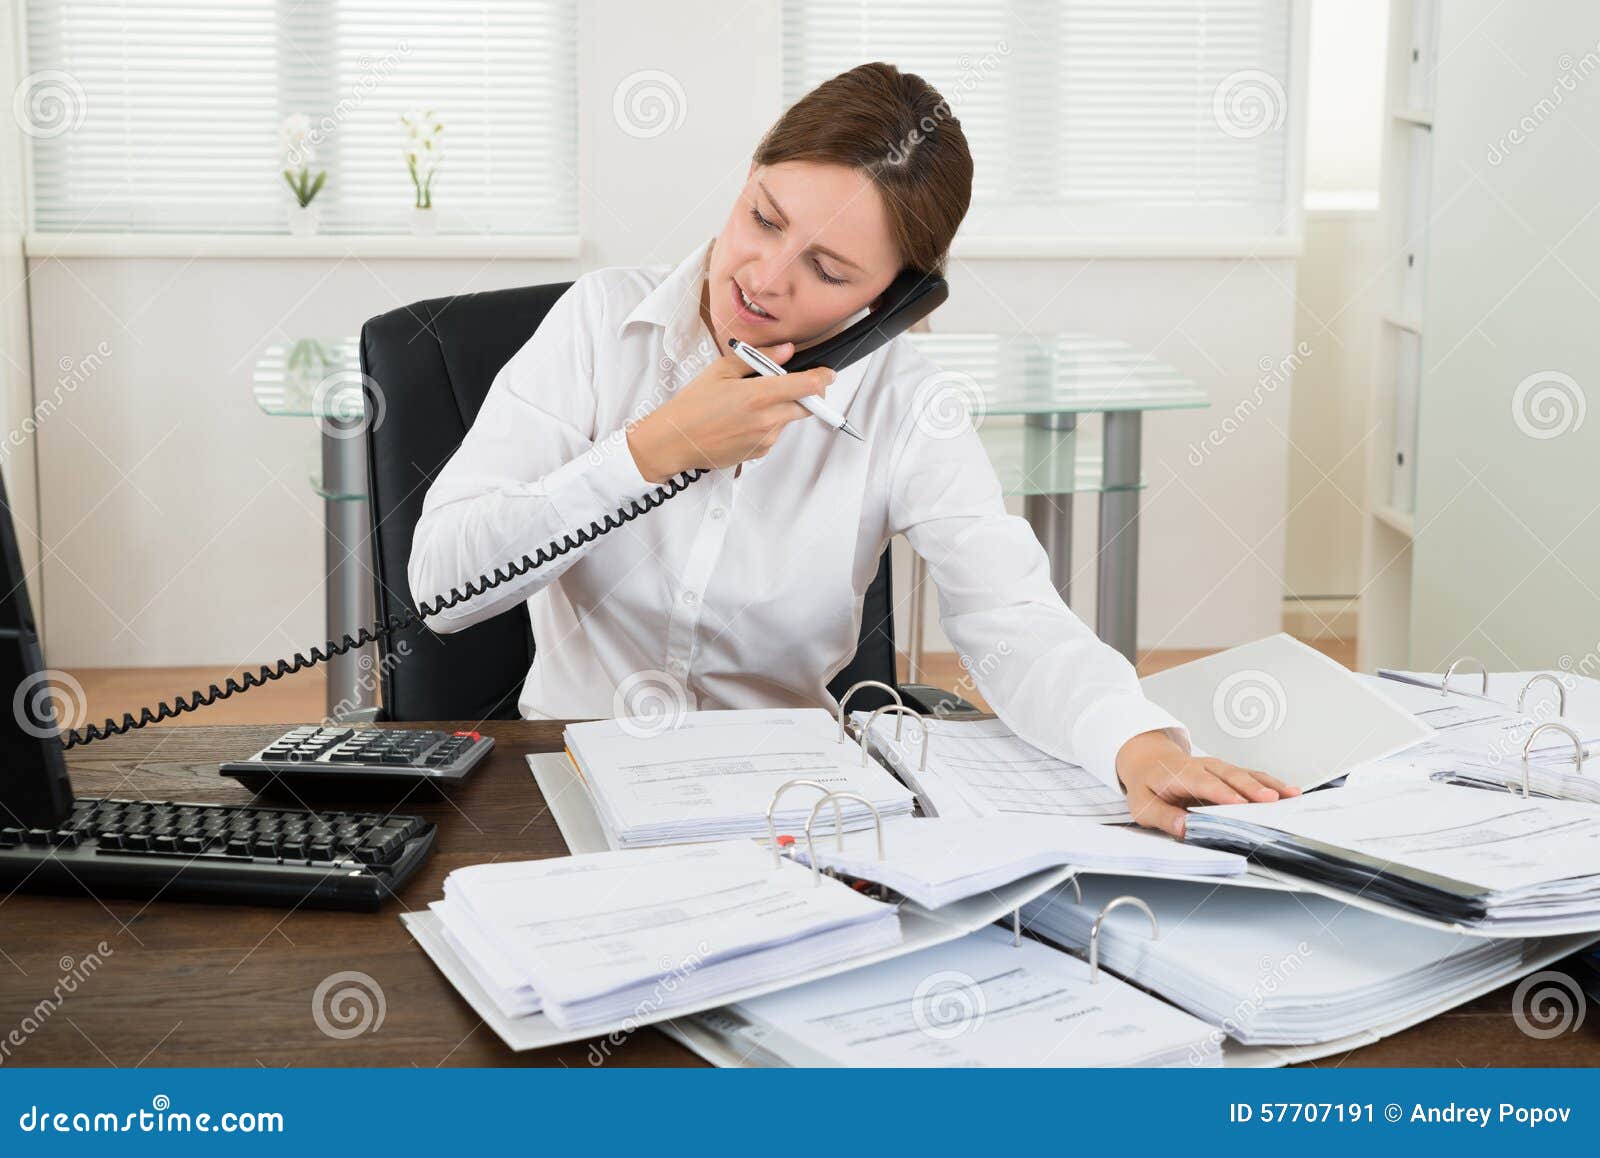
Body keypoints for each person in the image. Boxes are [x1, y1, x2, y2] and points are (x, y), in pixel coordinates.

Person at [408, 61, 1298, 836]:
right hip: (569, 775)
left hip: (788, 803)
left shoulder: (907, 401)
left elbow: (1011, 615)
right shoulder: (600, 325)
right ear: (748, 178)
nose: (763, 278)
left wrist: (1138, 746)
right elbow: (443, 588)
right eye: (762, 218)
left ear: (896, 300)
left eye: (829, 270)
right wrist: (651, 450)